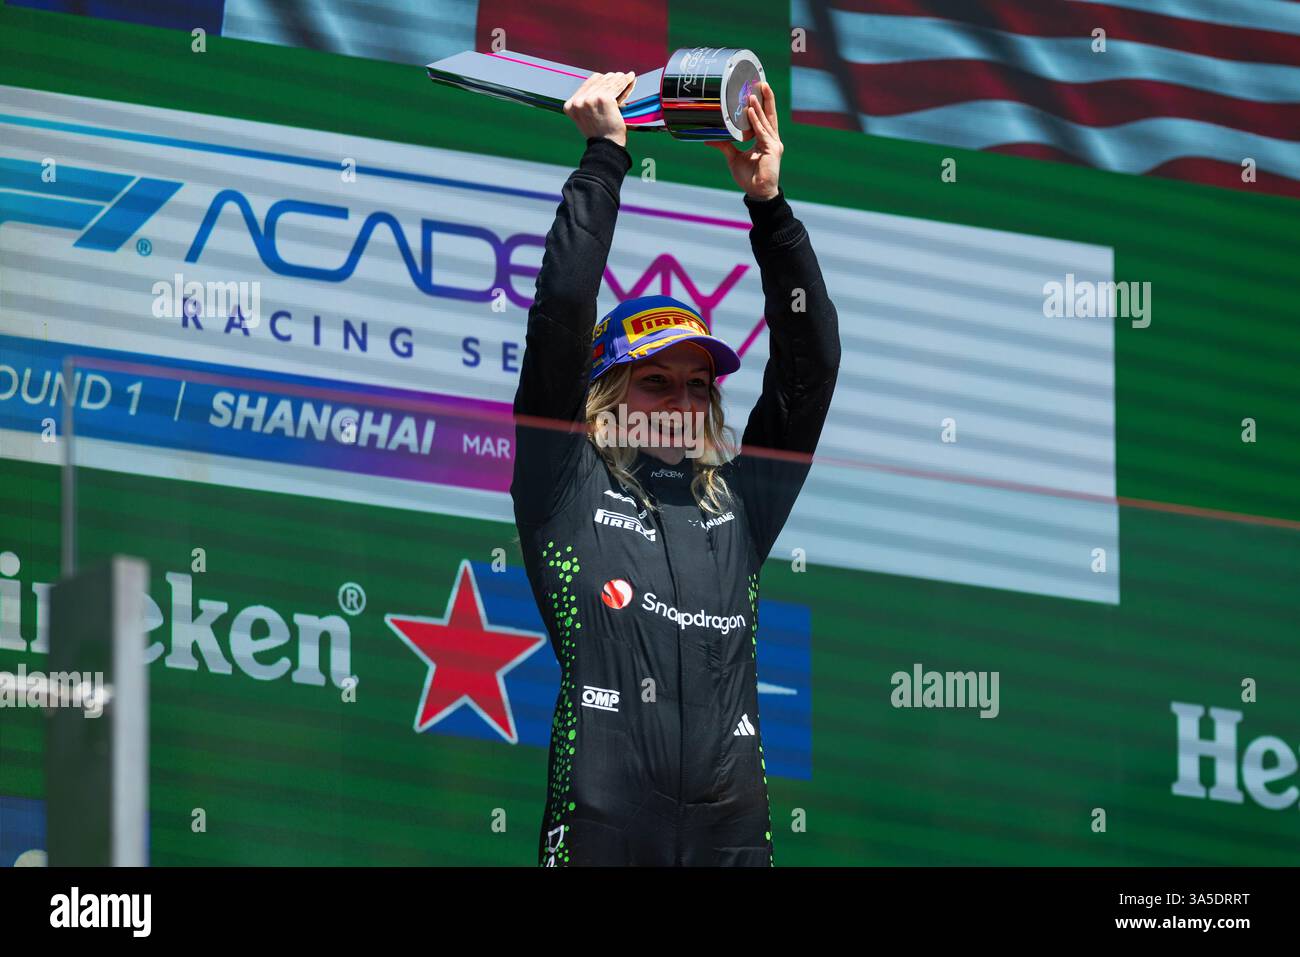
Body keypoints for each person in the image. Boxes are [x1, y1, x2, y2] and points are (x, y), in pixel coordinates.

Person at [511, 70, 840, 866]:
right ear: (607, 395)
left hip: (732, 837)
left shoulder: (737, 503)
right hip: (603, 829)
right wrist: (603, 160)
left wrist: (769, 208)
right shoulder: (564, 484)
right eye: (656, 380)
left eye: (698, 384)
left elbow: (811, 365)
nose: (682, 399)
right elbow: (560, 317)